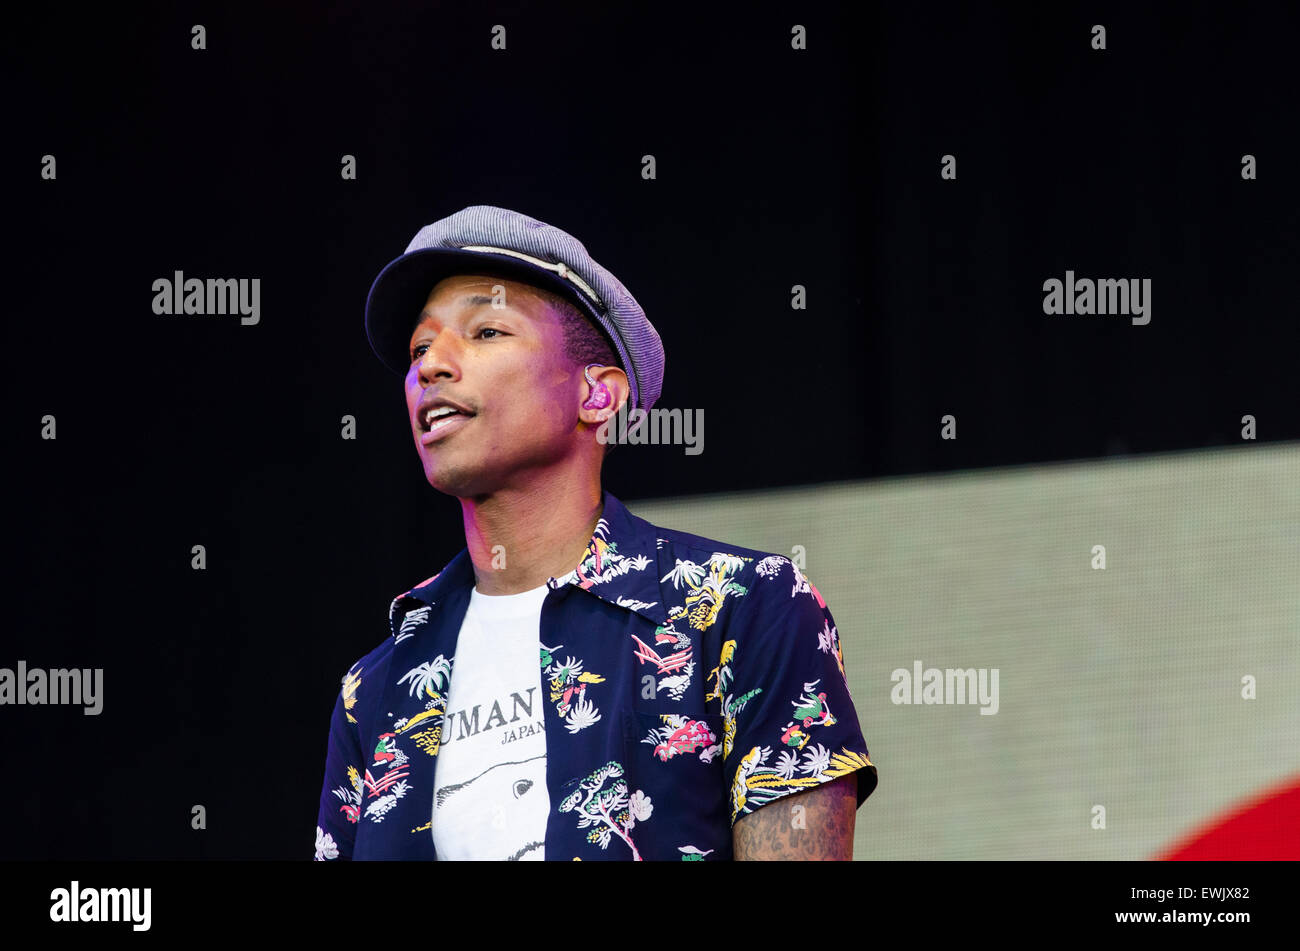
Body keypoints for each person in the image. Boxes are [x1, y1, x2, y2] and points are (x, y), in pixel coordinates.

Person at [313, 205, 877, 861]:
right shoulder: (377, 685)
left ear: (598, 396)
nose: (431, 365)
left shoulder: (746, 609)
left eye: (487, 330)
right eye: (419, 348)